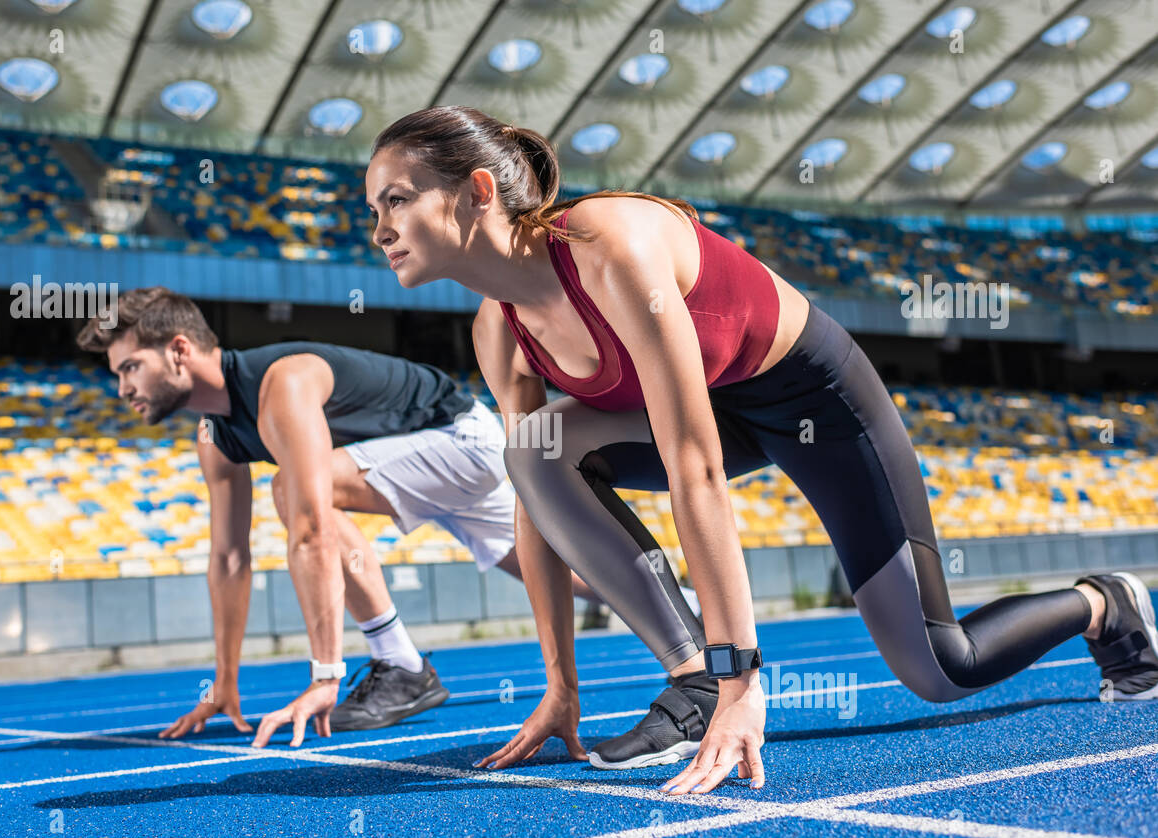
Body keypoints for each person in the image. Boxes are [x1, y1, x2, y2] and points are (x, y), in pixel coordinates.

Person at [363, 105, 1158, 793]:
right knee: (533, 453)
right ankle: (692, 681)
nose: (380, 230)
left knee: (939, 667)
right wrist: (559, 686)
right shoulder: (498, 332)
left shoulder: (611, 246)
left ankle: (1105, 604)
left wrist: (745, 675)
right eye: (373, 211)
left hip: (815, 400)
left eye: (396, 200)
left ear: (477, 191)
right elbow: (538, 508)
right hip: (719, 414)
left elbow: (693, 464)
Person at [76, 286, 604, 745]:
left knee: (294, 486)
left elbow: (311, 528)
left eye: (129, 368)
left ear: (179, 350)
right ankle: (686, 606)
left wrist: (326, 674)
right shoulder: (215, 436)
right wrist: (224, 684)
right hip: (423, 463)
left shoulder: (282, 384)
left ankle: (401, 664)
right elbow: (230, 559)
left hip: (460, 440)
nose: (122, 390)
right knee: (576, 577)